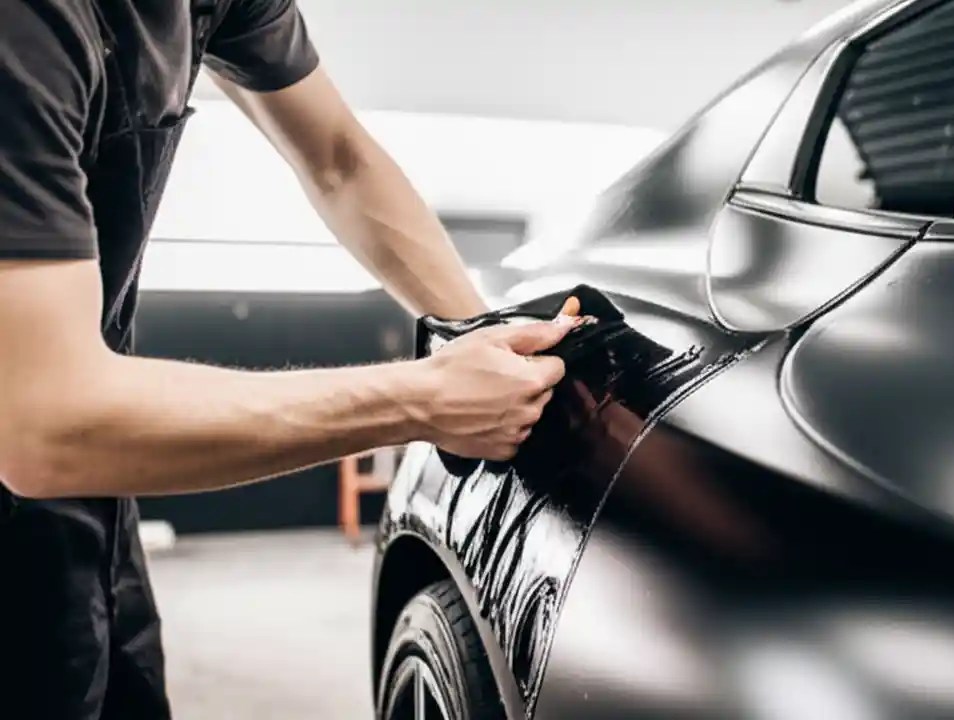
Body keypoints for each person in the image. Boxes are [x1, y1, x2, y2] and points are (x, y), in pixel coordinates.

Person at [0, 1, 579, 717]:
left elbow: (339, 159)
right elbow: (48, 425)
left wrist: (477, 335)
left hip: (90, 495)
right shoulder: (27, 28)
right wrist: (424, 398)